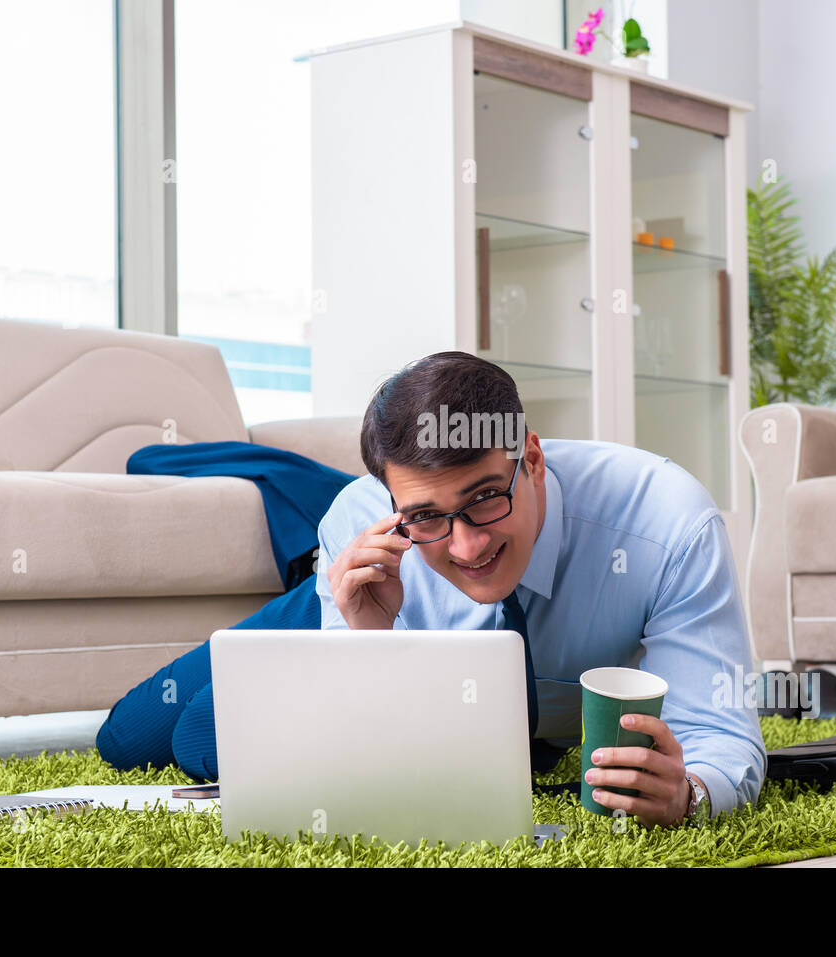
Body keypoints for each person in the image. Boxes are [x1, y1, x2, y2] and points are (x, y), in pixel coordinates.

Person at [317, 351, 765, 826]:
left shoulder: (667, 524)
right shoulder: (356, 529)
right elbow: (351, 761)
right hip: (309, 606)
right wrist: (370, 640)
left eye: (486, 498)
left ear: (531, 460)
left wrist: (687, 797)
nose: (468, 547)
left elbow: (720, 733)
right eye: (426, 515)